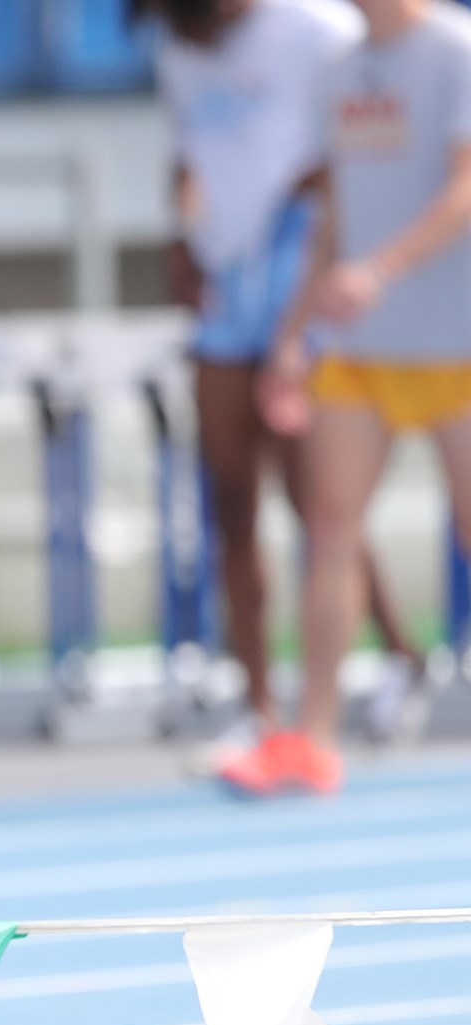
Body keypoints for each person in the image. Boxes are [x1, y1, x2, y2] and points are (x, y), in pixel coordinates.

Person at [137, 0, 427, 774]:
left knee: (322, 501)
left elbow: (363, 154)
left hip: (303, 265)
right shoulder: (177, 42)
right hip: (228, 276)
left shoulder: (317, 30)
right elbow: (187, 150)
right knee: (230, 495)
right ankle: (259, 707)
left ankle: (398, 658)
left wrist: (347, 266)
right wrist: (180, 234)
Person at [223, 0, 471, 796]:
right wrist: (292, 338)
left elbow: (467, 183)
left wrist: (382, 269)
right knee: (330, 527)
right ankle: (313, 735)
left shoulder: (456, 50)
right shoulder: (336, 69)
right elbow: (336, 215)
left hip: (457, 341)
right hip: (360, 351)